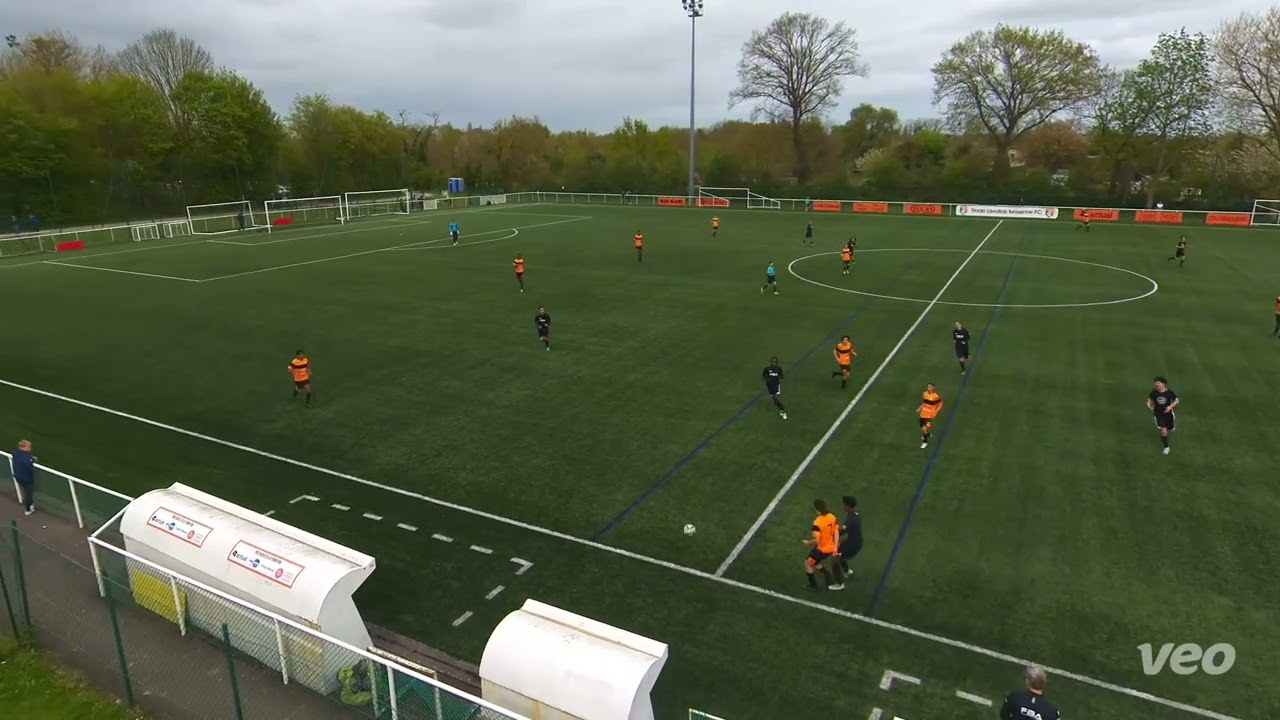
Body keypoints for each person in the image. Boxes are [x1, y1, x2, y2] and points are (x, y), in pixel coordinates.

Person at [803, 499, 843, 591]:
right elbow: (836, 532)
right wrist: (835, 548)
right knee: (815, 562)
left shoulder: (817, 523)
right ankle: (827, 575)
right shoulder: (832, 517)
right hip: (832, 548)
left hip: (821, 550)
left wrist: (808, 543)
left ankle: (813, 586)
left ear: (817, 510)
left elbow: (817, 540)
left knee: (808, 563)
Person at [1147, 376, 1179, 455]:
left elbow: (1177, 400)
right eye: (1155, 383)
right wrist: (1150, 406)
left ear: (1163, 384)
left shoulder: (1169, 393)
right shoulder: (1154, 392)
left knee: (1170, 429)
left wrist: (1170, 407)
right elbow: (1149, 401)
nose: (1156, 384)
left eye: (1158, 383)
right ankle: (1166, 447)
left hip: (1168, 415)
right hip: (1158, 415)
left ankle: (1167, 429)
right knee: (1163, 431)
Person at [836, 495, 862, 577]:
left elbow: (843, 531)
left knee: (836, 556)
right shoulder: (855, 514)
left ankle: (839, 583)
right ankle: (847, 571)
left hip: (853, 544)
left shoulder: (850, 519)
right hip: (856, 540)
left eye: (844, 505)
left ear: (847, 505)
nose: (843, 506)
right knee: (839, 552)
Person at [13, 440, 36, 516]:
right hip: (26, 479)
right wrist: (32, 460)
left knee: (26, 491)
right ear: (23, 447)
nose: (30, 448)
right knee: (28, 493)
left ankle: (30, 504)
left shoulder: (16, 453)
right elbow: (29, 465)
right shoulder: (27, 458)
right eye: (28, 447)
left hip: (17, 476)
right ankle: (28, 509)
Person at [917, 383, 943, 449]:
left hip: (929, 415)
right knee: (922, 427)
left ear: (933, 388)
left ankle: (925, 442)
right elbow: (924, 403)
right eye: (928, 387)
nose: (928, 388)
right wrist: (919, 408)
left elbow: (940, 404)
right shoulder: (925, 394)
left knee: (924, 428)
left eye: (930, 387)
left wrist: (936, 411)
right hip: (923, 414)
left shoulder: (935, 396)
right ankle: (928, 434)